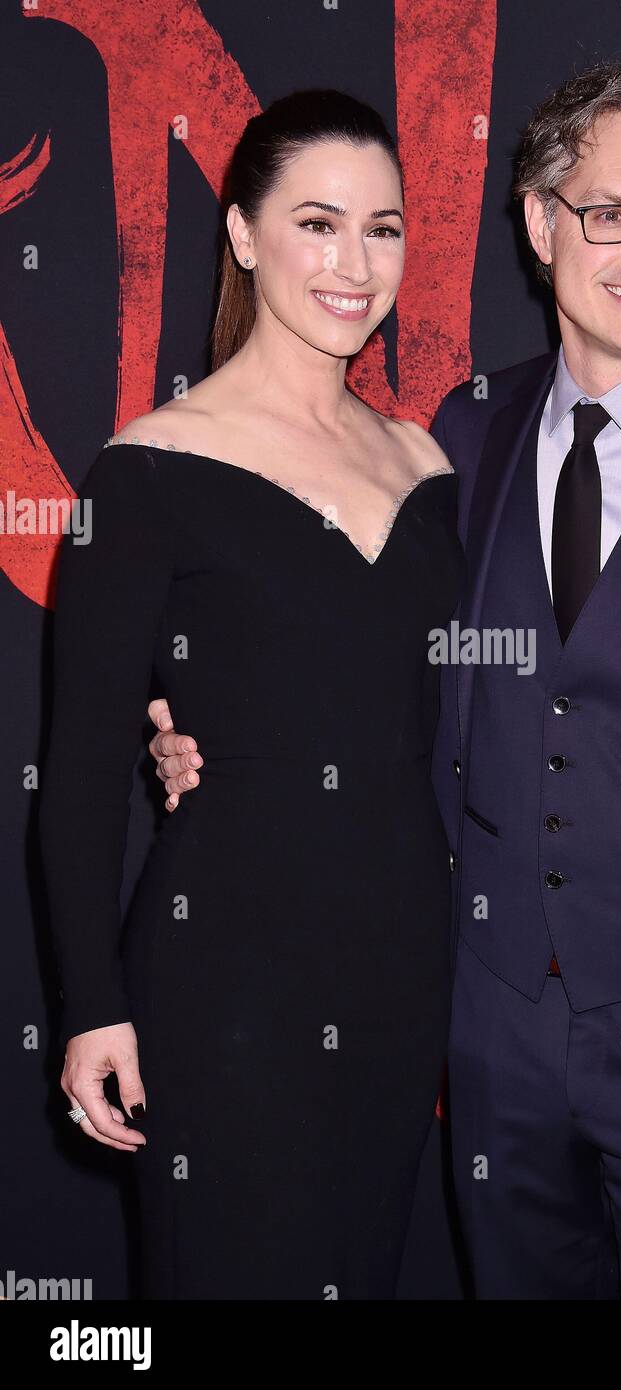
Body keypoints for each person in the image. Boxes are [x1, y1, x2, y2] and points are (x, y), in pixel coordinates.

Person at [146, 58, 621, 1299]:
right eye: (610, 211)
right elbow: (369, 665)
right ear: (543, 222)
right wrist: (199, 724)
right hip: (488, 1030)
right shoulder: (463, 430)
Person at [39, 90, 461, 1300]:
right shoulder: (151, 469)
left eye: (382, 229)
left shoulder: (426, 463)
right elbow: (75, 780)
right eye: (317, 223)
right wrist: (92, 1010)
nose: (353, 263)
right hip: (224, 969)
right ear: (240, 235)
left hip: (400, 968)